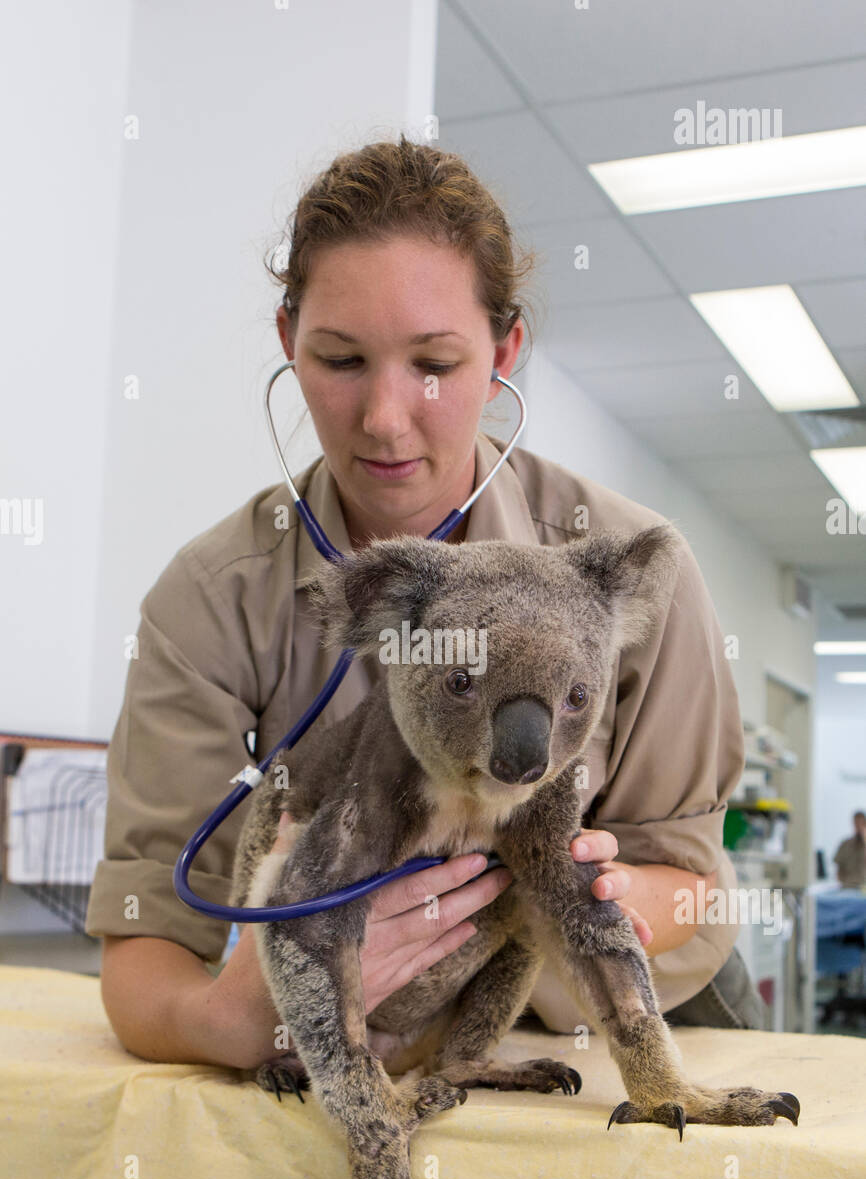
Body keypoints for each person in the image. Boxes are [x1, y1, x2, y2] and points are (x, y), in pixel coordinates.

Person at [87, 134, 766, 1068]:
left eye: (436, 363)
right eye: (340, 358)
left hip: (612, 1022)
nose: (384, 418)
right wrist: (238, 1018)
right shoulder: (211, 598)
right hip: (350, 1052)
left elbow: (691, 883)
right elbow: (146, 935)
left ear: (505, 352)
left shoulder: (629, 578)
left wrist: (557, 894)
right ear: (288, 341)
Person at [833, 811, 866, 889]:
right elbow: (839, 868)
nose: (858, 827)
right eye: (856, 823)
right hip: (848, 886)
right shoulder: (845, 844)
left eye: (861, 824)